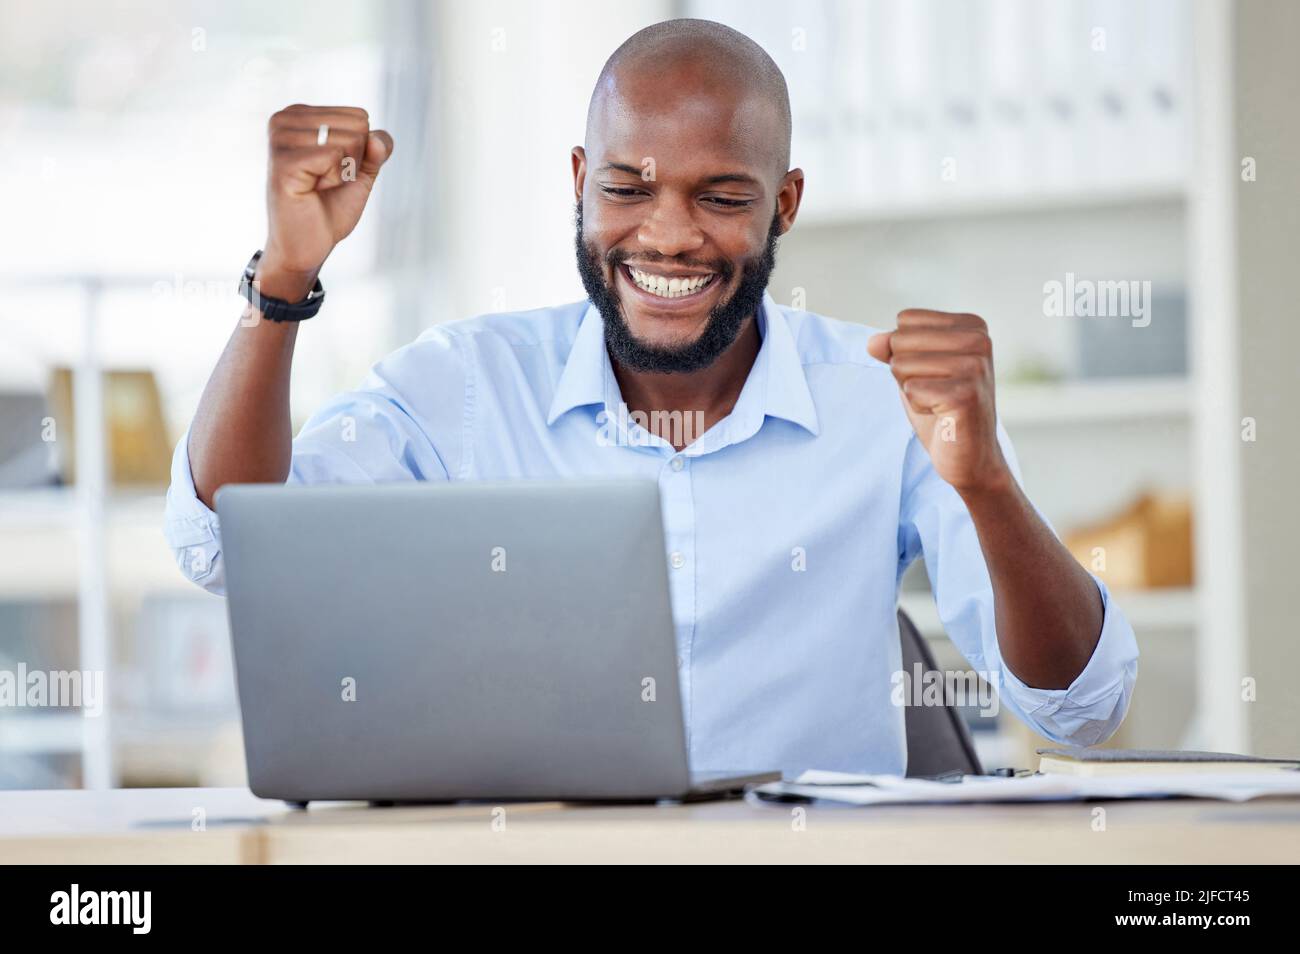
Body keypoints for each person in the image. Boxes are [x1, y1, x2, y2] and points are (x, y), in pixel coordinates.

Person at [165, 19, 1137, 774]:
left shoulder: (883, 402)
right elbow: (228, 543)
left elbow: (1081, 703)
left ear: (783, 204)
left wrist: (989, 482)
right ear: (580, 183)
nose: (668, 237)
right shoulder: (464, 385)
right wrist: (284, 281)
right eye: (629, 188)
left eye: (720, 197)